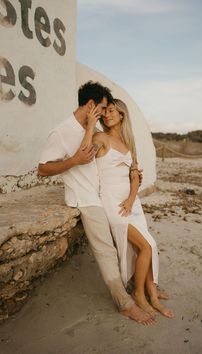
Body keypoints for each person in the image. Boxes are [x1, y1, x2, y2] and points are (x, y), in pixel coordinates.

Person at [38, 81, 156, 325]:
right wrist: (73, 161)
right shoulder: (62, 131)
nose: (105, 113)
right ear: (91, 105)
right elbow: (42, 169)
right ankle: (124, 303)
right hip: (85, 197)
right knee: (106, 248)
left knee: (130, 241)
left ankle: (142, 285)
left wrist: (131, 178)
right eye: (103, 108)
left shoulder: (91, 128)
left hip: (102, 194)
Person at [82, 98, 174, 318]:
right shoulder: (100, 137)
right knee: (146, 246)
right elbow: (83, 153)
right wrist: (89, 126)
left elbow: (134, 176)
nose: (107, 115)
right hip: (113, 203)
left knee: (148, 244)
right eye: (105, 113)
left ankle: (152, 292)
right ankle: (139, 294)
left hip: (131, 203)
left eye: (112, 111)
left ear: (122, 114)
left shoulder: (127, 142)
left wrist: (132, 198)